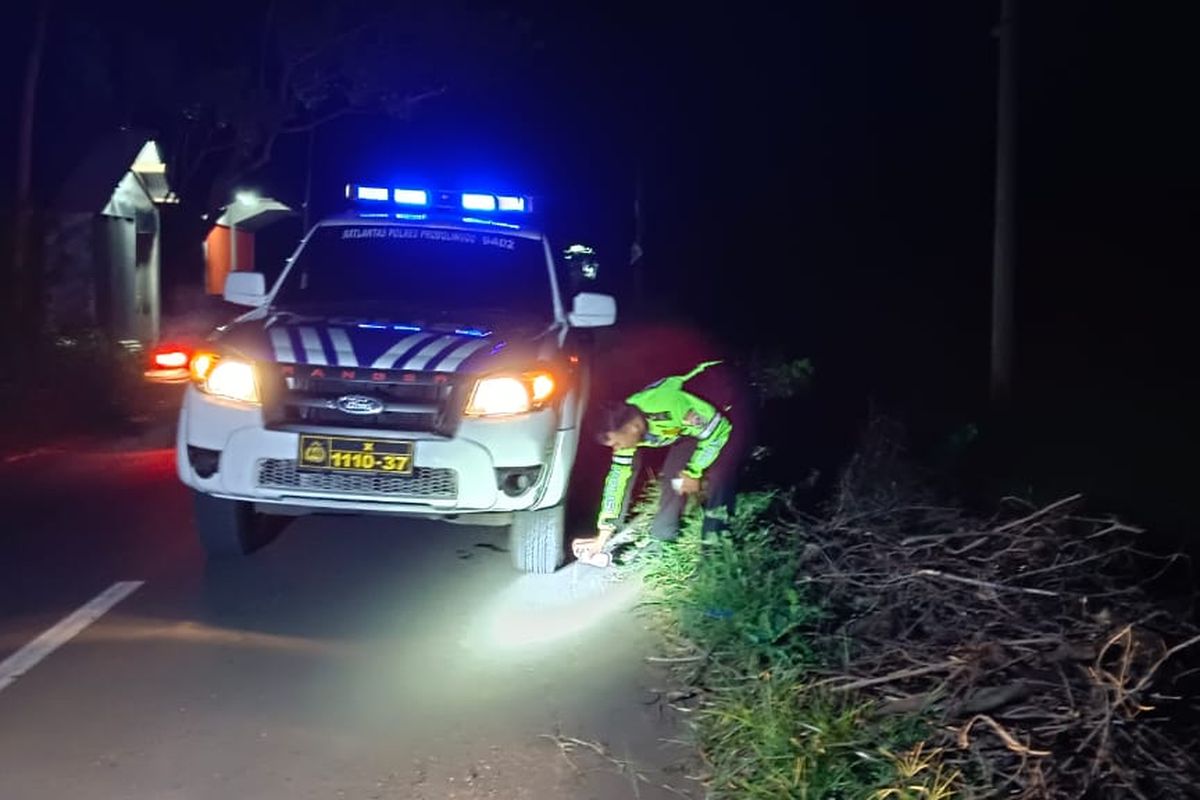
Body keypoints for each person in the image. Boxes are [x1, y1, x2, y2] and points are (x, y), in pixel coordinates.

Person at [573, 360, 747, 564]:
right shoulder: (627, 424)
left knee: (720, 473)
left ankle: (716, 549)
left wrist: (694, 471)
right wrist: (603, 534)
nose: (616, 449)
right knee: (674, 479)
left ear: (632, 428)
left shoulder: (667, 404)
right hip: (689, 429)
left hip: (731, 403)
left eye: (617, 443)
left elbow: (719, 431)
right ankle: (663, 539)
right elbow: (617, 480)